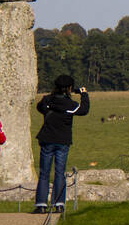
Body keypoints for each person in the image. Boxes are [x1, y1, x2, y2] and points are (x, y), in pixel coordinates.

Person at [33, 76, 90, 214]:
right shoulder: (70, 105)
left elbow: (40, 107)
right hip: (62, 141)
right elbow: (83, 110)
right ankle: (58, 204)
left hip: (47, 139)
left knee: (44, 173)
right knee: (59, 172)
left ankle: (41, 204)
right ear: (70, 88)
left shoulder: (47, 100)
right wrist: (83, 94)